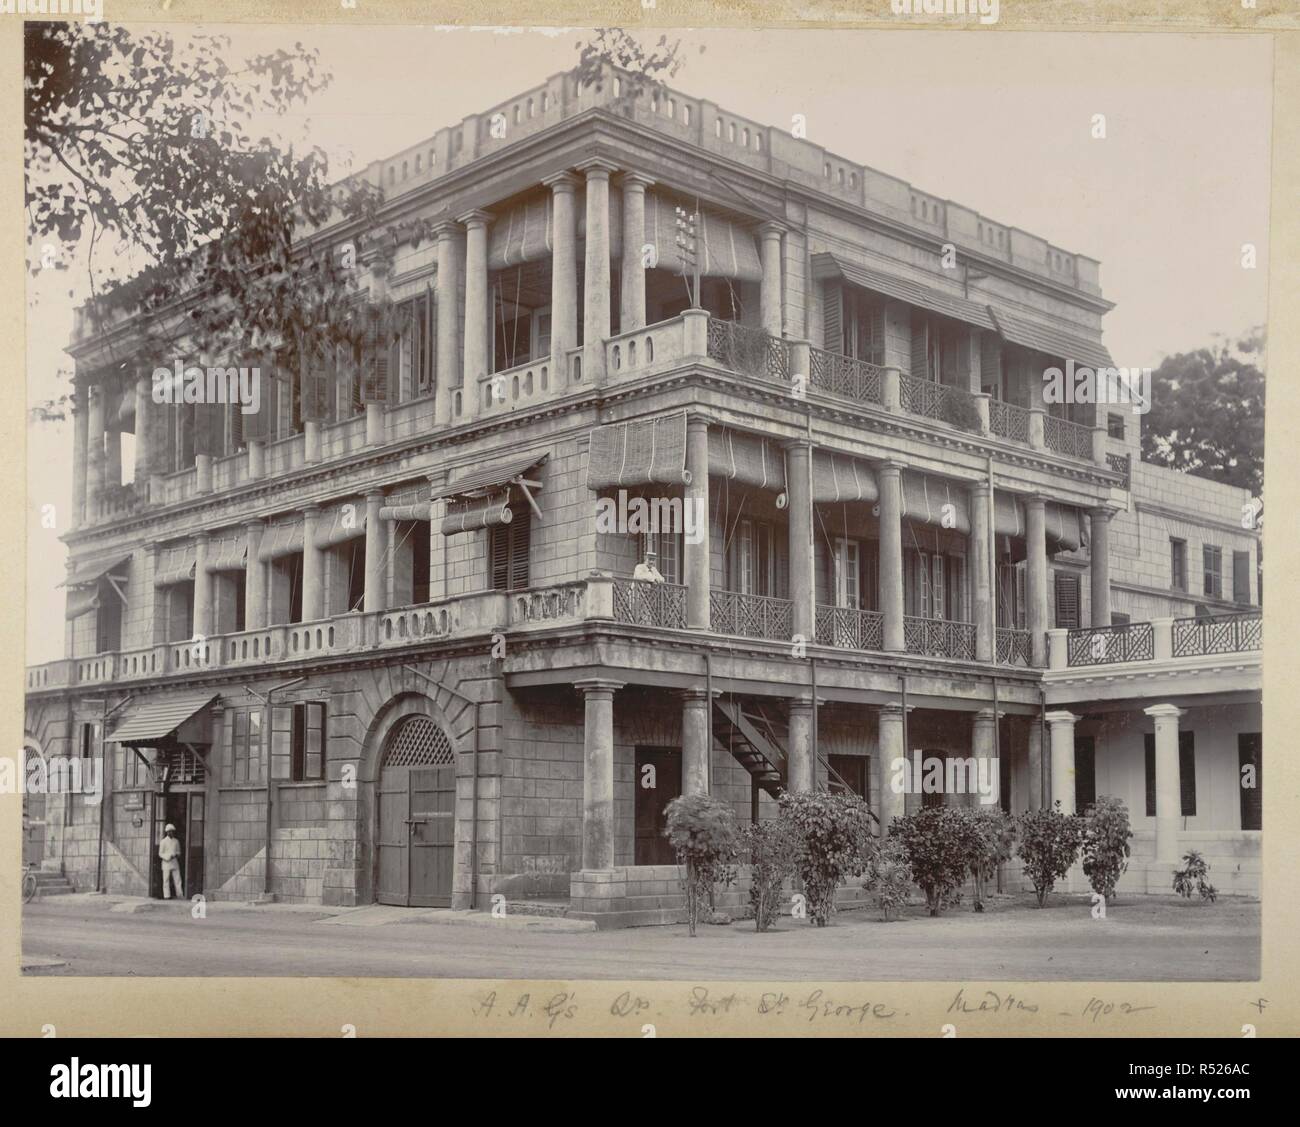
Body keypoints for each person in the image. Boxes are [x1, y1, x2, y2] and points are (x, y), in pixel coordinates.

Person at [159, 823, 183, 899]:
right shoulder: (163, 842)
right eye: (169, 831)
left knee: (177, 879)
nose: (171, 833)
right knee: (166, 879)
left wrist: (176, 854)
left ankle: (179, 894)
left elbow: (179, 851)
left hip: (174, 862)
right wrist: (167, 857)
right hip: (166, 863)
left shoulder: (176, 841)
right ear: (167, 832)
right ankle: (166, 895)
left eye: (172, 831)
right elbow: (160, 853)